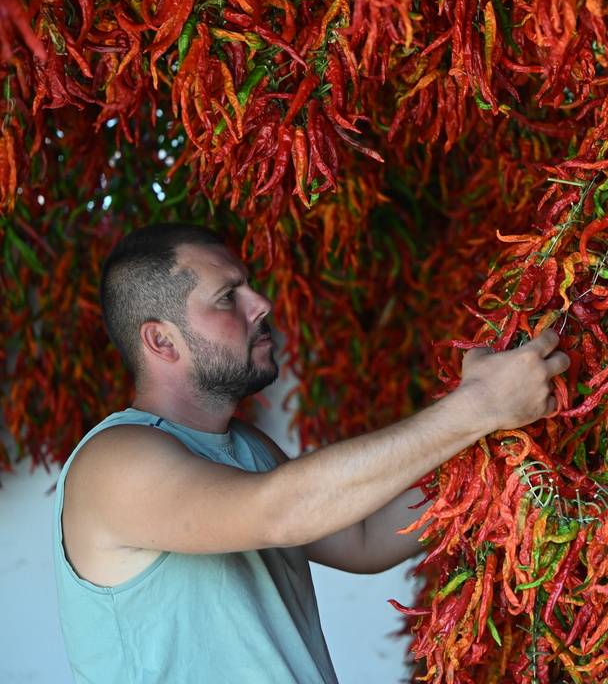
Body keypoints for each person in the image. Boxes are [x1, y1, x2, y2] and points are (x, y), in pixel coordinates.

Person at [52, 223, 568, 683]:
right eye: (229, 297)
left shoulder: (247, 449)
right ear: (162, 342)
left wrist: (496, 455)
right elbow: (280, 512)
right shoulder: (113, 461)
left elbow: (364, 540)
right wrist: (478, 407)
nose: (262, 304)